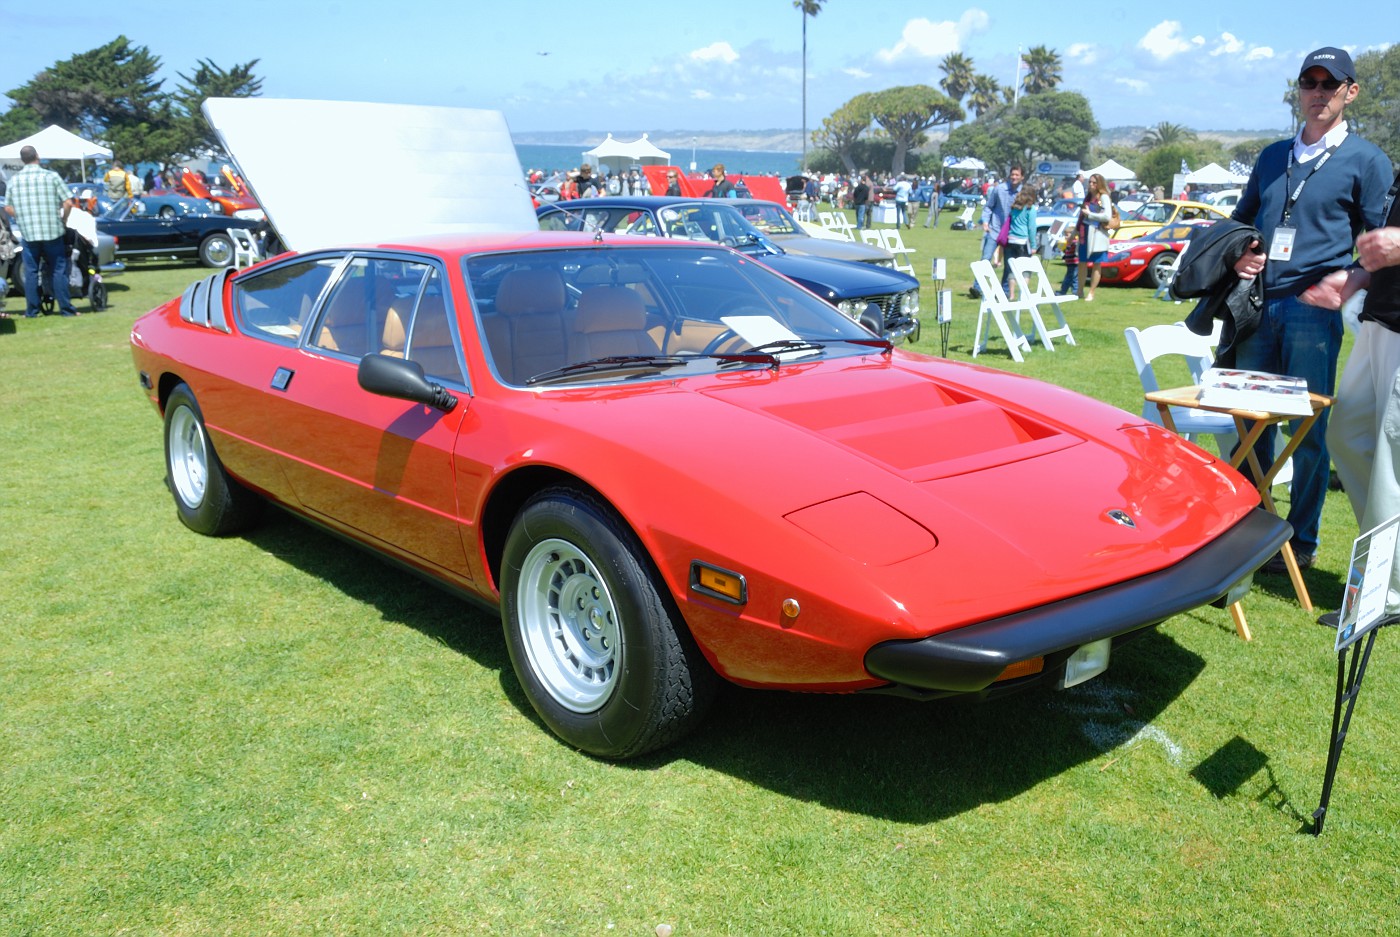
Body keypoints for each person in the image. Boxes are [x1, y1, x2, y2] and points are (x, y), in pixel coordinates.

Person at [1230, 46, 1392, 574]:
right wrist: (1242, 252)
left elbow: (1380, 241)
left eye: (1329, 84)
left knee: (1309, 433)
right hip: (1257, 307)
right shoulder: (1272, 155)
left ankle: (1299, 541)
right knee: (1250, 425)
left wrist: (1351, 277)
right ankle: (1249, 533)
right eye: (1309, 82)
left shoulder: (1367, 160)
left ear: (1350, 92)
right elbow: (1241, 219)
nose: (1318, 93)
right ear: (1297, 90)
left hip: (1313, 312)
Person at [1324, 177, 1400, 626]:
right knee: (1346, 436)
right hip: (1380, 319)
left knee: (1391, 462)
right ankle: (1386, 574)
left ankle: (1385, 595)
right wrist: (1358, 272)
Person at [3, 145, 78, 317]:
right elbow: (68, 202)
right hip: (52, 230)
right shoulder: (51, 176)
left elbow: (7, 207)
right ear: (37, 156)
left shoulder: (14, 180)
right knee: (58, 269)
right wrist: (63, 219)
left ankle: (32, 310)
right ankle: (66, 308)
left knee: (31, 272)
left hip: (29, 233)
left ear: (22, 159)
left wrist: (21, 217)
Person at [972, 165, 1022, 298]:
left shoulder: (1022, 193)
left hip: (1011, 233)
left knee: (1009, 263)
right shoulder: (999, 189)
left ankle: (1004, 291)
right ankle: (977, 287)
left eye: (1017, 175)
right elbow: (988, 207)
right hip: (995, 229)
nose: (1014, 177)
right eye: (1012, 174)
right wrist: (985, 221)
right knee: (985, 259)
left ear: (1022, 177)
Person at [1078, 173, 1114, 301]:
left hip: (1098, 234)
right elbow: (1081, 217)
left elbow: (1107, 216)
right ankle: (1079, 291)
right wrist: (1075, 233)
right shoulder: (1088, 197)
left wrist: (1090, 214)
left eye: (1094, 182)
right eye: (1090, 182)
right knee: (1082, 262)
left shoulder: (1104, 197)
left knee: (1096, 263)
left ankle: (1091, 292)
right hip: (1085, 233)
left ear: (1099, 184)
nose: (1091, 185)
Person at [1003, 184, 1039, 300]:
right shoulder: (1030, 209)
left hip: (1011, 240)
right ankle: (1023, 293)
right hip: (1023, 241)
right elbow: (1031, 228)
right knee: (1026, 268)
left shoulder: (1015, 206)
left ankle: (1011, 294)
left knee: (1012, 268)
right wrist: (1033, 245)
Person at [1059, 228, 1080, 295]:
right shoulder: (1068, 243)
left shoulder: (1074, 242)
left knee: (1071, 277)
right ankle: (1074, 291)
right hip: (1070, 263)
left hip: (1074, 263)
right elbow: (1066, 252)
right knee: (1072, 277)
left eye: (1067, 235)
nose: (1065, 237)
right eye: (1065, 235)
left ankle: (1065, 291)